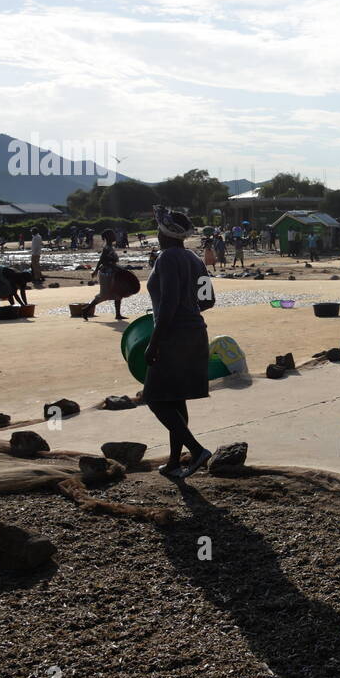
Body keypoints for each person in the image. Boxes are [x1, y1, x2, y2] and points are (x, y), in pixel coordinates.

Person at [143, 206, 214, 480]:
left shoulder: (165, 259)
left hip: (173, 335)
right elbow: (208, 300)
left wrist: (154, 341)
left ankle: (196, 451)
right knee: (175, 397)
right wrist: (189, 314)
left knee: (155, 398)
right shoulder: (195, 259)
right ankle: (174, 461)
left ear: (162, 234)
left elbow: (169, 302)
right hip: (196, 332)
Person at [82, 231, 129, 321]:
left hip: (112, 272)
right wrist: (96, 271)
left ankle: (118, 314)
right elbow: (102, 261)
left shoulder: (110, 247)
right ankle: (86, 309)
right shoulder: (107, 248)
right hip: (106, 273)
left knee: (118, 292)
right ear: (109, 237)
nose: (115, 236)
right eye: (113, 234)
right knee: (104, 295)